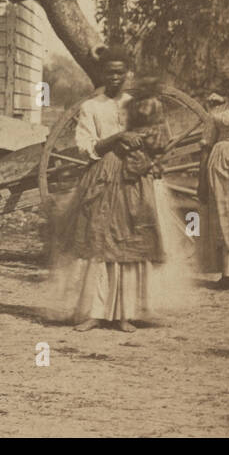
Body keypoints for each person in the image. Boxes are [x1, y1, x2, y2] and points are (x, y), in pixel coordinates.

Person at [56, 70, 170, 332]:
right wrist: (117, 137)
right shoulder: (91, 107)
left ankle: (124, 314)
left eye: (120, 72)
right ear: (104, 74)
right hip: (104, 175)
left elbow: (159, 140)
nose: (115, 77)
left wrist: (149, 149)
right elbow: (87, 147)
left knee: (127, 241)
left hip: (133, 176)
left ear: (128, 73)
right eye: (110, 72)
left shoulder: (140, 103)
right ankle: (94, 312)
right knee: (99, 240)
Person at [202, 65, 229, 288]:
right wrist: (201, 178)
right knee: (224, 214)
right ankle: (227, 274)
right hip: (221, 167)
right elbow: (206, 143)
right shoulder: (217, 109)